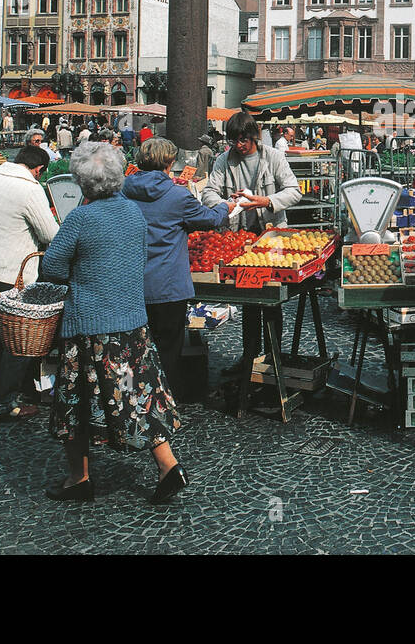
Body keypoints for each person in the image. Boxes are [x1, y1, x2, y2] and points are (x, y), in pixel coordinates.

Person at [39, 142, 187, 504]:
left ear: (82, 183)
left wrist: (80, 270)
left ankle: (79, 477)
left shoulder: (80, 218)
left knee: (75, 399)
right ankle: (169, 466)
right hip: (132, 321)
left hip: (90, 323)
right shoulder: (133, 213)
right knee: (139, 394)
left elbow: (52, 267)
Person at [124, 138, 229, 398]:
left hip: (131, 282)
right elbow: (211, 219)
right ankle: (161, 400)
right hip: (167, 285)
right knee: (168, 347)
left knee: (133, 346)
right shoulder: (177, 194)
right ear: (170, 163)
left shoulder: (123, 189)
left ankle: (131, 396)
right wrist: (227, 205)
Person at [201, 113, 303, 375]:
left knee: (271, 299)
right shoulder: (224, 160)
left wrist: (265, 201)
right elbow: (208, 192)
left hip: (272, 237)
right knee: (248, 299)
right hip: (240, 238)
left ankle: (273, 358)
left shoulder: (273, 157)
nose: (239, 145)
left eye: (244, 140)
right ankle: (249, 358)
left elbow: (293, 190)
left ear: (254, 136)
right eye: (234, 140)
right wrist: (227, 204)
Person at [0, 145, 60, 422]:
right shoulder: (30, 189)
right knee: (18, 342)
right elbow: (49, 233)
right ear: (38, 169)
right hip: (9, 274)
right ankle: (2, 402)